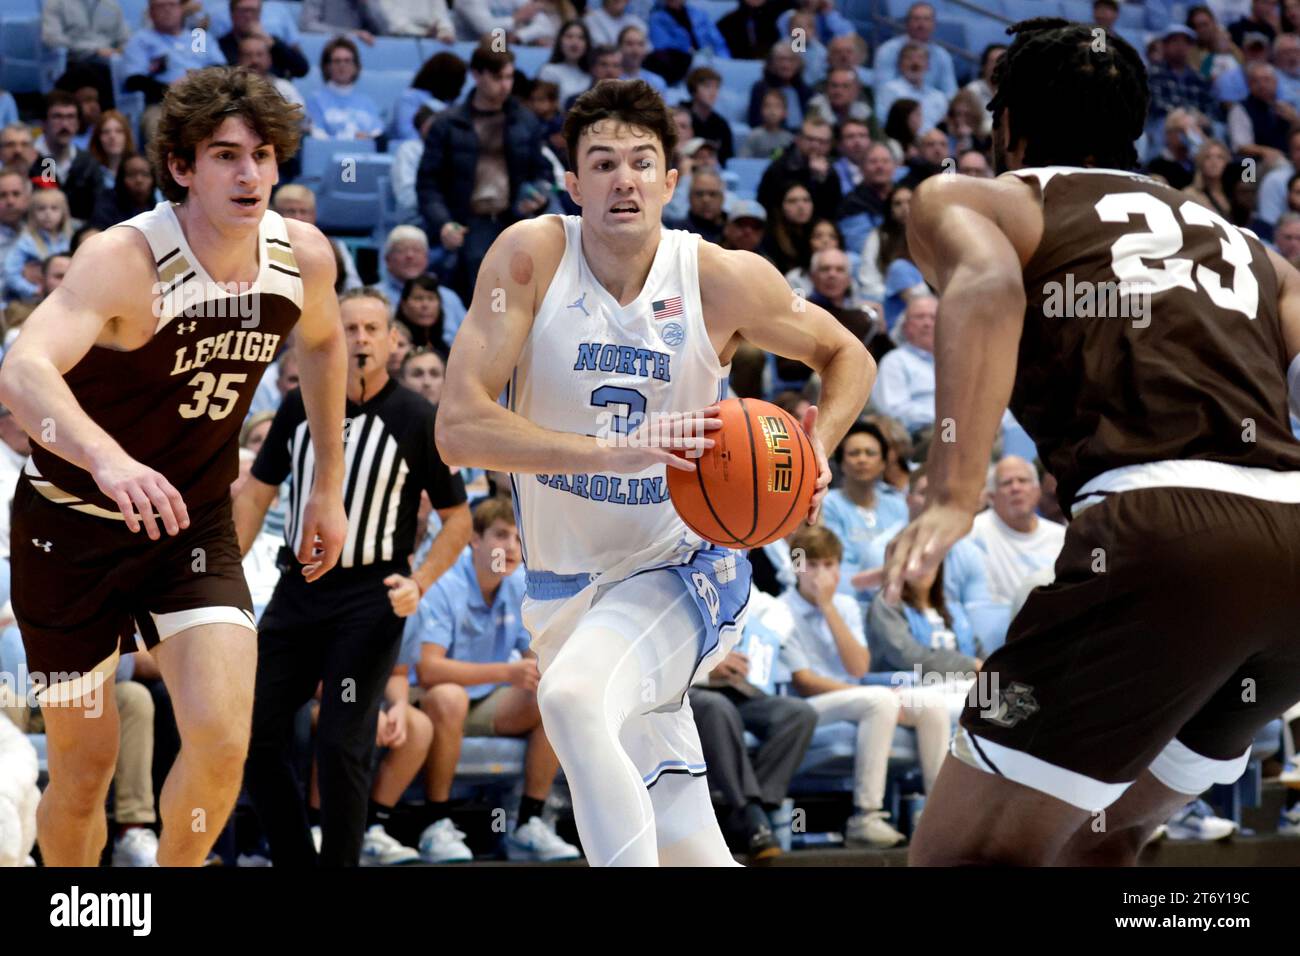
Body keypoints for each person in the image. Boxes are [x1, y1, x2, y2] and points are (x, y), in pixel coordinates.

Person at [882, 19, 1300, 867]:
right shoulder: (1247, 245)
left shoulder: (973, 197)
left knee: (960, 860)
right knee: (1099, 844)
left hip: (1165, 534)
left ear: (1006, 125)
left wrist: (956, 493)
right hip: (1292, 552)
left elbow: (990, 284)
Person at [436, 78, 871, 866]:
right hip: (564, 589)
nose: (623, 179)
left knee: (570, 701)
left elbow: (849, 354)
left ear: (672, 181)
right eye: (601, 163)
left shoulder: (719, 277)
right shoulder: (530, 258)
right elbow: (458, 429)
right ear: (572, 184)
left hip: (686, 564)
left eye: (642, 162)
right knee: (681, 831)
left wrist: (817, 450)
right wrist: (609, 451)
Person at [0, 65, 350, 867]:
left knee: (227, 741)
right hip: (70, 529)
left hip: (189, 528)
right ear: (181, 168)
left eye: (263, 154)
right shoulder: (123, 258)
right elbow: (22, 370)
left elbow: (325, 343)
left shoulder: (303, 257)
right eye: (225, 155)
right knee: (85, 773)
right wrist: (108, 459)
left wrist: (326, 484)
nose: (250, 174)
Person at [236, 287, 471, 867]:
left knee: (342, 742)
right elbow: (255, 496)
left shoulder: (418, 418)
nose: (360, 339)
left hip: (370, 597)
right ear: (328, 338)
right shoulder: (298, 406)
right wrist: (222, 583)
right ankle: (295, 858)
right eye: (348, 329)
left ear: (393, 341)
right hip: (298, 590)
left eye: (371, 329)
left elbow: (460, 520)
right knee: (254, 728)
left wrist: (421, 580)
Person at [403, 496, 579, 862]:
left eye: (518, 538)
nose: (512, 547)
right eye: (501, 535)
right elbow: (428, 669)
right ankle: (436, 824)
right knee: (450, 696)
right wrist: (507, 671)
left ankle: (528, 824)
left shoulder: (517, 586)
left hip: (487, 702)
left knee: (553, 695)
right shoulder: (445, 585)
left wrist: (546, 669)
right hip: (435, 700)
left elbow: (533, 655)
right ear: (475, 540)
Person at [780, 524, 950, 848]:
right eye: (811, 565)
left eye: (829, 565)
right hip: (805, 707)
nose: (820, 574)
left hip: (855, 695)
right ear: (796, 567)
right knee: (880, 701)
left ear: (840, 568)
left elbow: (858, 667)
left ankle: (937, 815)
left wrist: (828, 608)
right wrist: (872, 693)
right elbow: (804, 682)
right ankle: (865, 817)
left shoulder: (844, 605)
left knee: (930, 705)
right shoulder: (781, 609)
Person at [687, 585, 818, 861]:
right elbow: (660, 660)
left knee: (799, 714)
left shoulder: (726, 571)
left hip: (737, 689)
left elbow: (779, 610)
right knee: (718, 709)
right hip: (688, 692)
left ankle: (759, 812)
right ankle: (751, 814)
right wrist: (708, 667)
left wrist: (756, 640)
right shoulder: (669, 585)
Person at [417, 45, 551, 302]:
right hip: (467, 221)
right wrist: (443, 223)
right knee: (481, 282)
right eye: (497, 77)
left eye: (509, 77)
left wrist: (539, 194)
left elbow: (541, 171)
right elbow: (428, 184)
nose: (505, 85)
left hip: (514, 219)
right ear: (476, 75)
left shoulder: (526, 121)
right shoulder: (447, 124)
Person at [968, 456, 1066, 606]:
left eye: (1023, 481)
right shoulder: (973, 533)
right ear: (992, 496)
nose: (1016, 488)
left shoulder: (1061, 536)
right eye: (1006, 483)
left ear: (1037, 491)